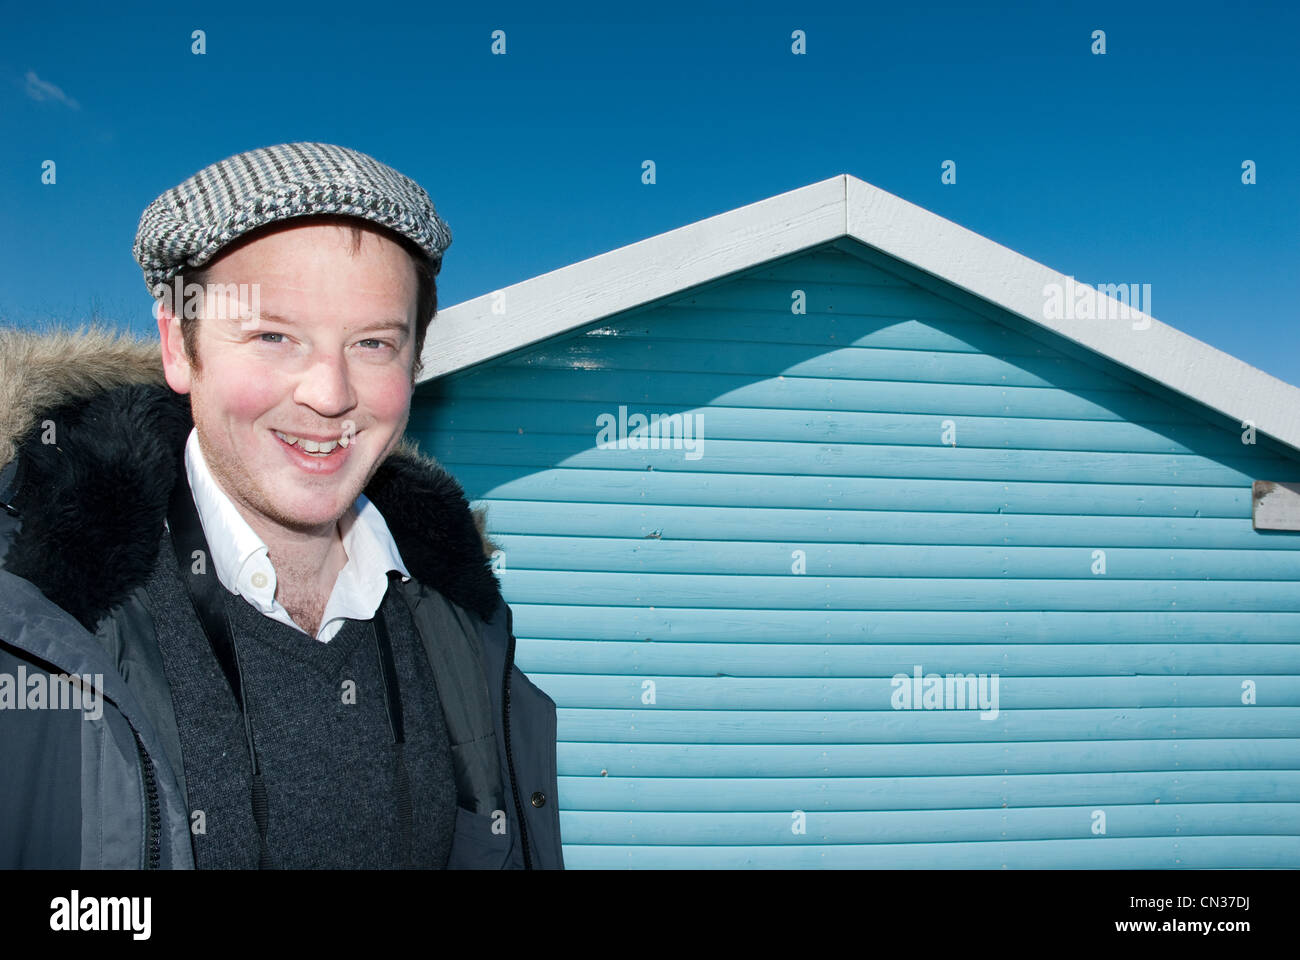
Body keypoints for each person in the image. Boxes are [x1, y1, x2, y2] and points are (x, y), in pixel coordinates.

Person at [0, 142, 563, 869]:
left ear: (416, 362)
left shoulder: (459, 618)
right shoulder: (34, 620)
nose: (329, 394)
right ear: (179, 346)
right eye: (273, 336)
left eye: (372, 343)